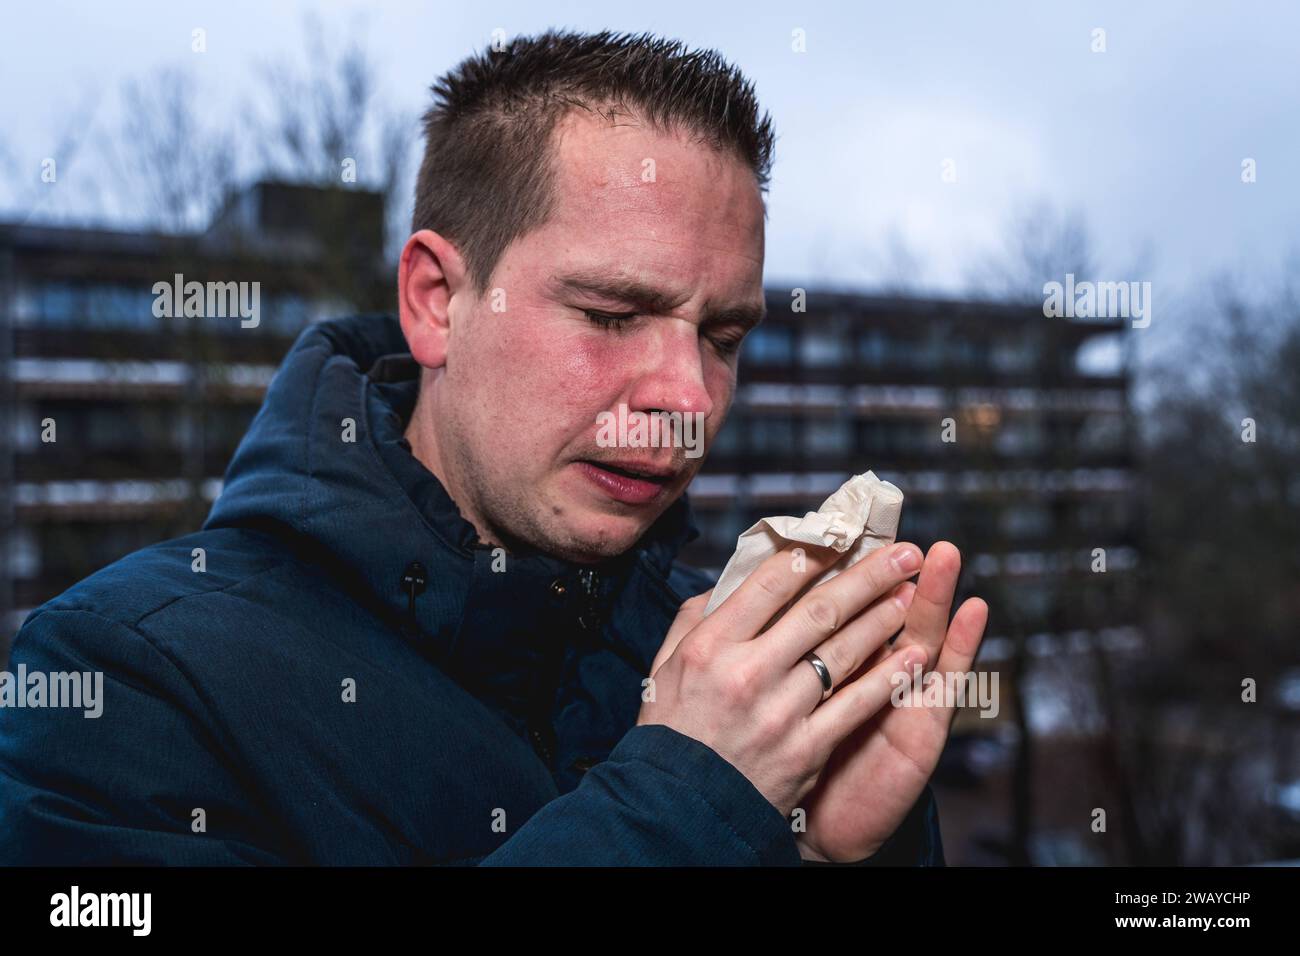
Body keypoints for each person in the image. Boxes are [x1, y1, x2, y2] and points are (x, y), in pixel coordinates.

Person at [0, 29, 987, 865]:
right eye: (609, 314)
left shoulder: (738, 663)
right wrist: (683, 806)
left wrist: (815, 849)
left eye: (721, 337)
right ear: (436, 300)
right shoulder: (127, 675)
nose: (689, 397)